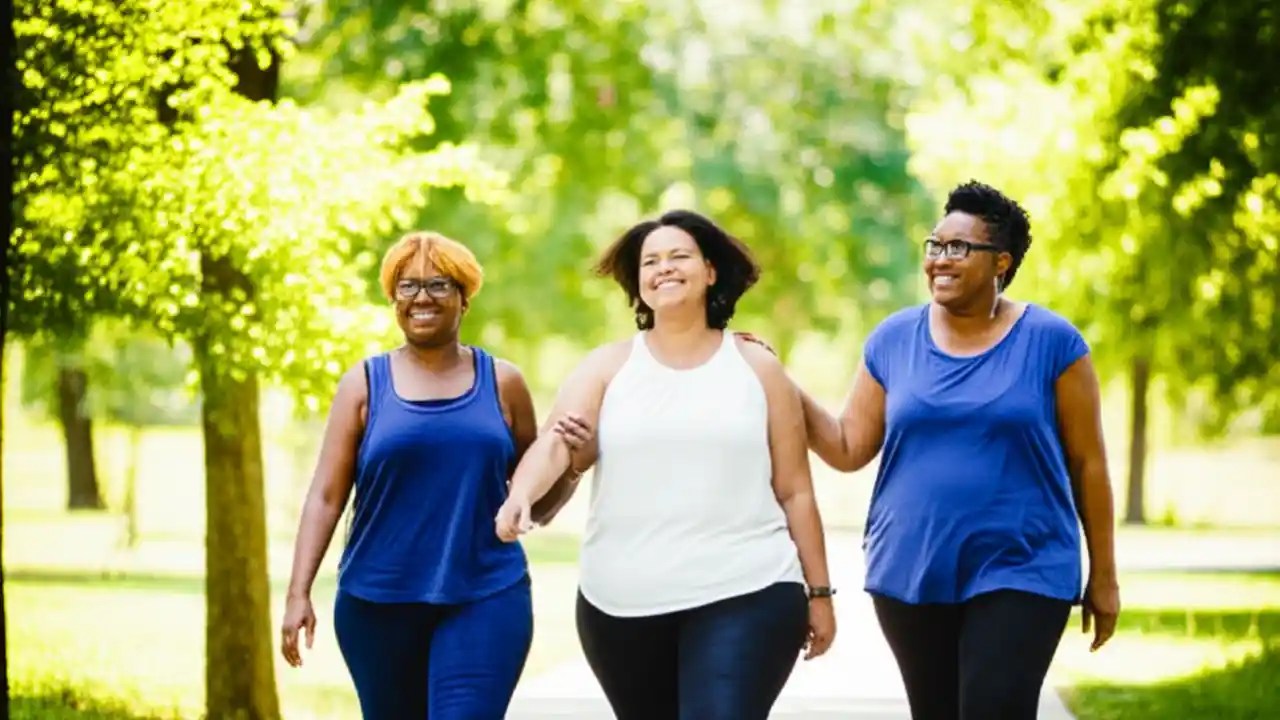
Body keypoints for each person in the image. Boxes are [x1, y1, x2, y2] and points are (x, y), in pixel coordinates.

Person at [795, 180, 1121, 720]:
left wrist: (1104, 575)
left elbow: (1089, 464)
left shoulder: (1053, 342)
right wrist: (784, 389)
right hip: (911, 569)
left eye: (959, 247)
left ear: (1001, 263)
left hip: (1023, 565)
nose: (941, 259)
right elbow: (849, 447)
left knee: (995, 708)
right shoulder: (893, 340)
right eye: (936, 245)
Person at [494, 209, 837, 720]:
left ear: (711, 271)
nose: (664, 268)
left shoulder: (758, 367)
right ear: (638, 283)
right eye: (650, 261)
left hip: (749, 587)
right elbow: (556, 443)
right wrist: (520, 495)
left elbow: (796, 491)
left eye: (679, 256)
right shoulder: (607, 367)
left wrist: (820, 593)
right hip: (622, 602)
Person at [278, 231, 592, 719]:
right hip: (377, 602)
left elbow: (530, 503)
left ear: (464, 299)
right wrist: (299, 592)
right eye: (407, 286)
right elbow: (325, 496)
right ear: (394, 300)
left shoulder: (503, 384)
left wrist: (571, 467)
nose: (421, 297)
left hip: (486, 595)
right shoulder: (363, 385)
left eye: (439, 284)